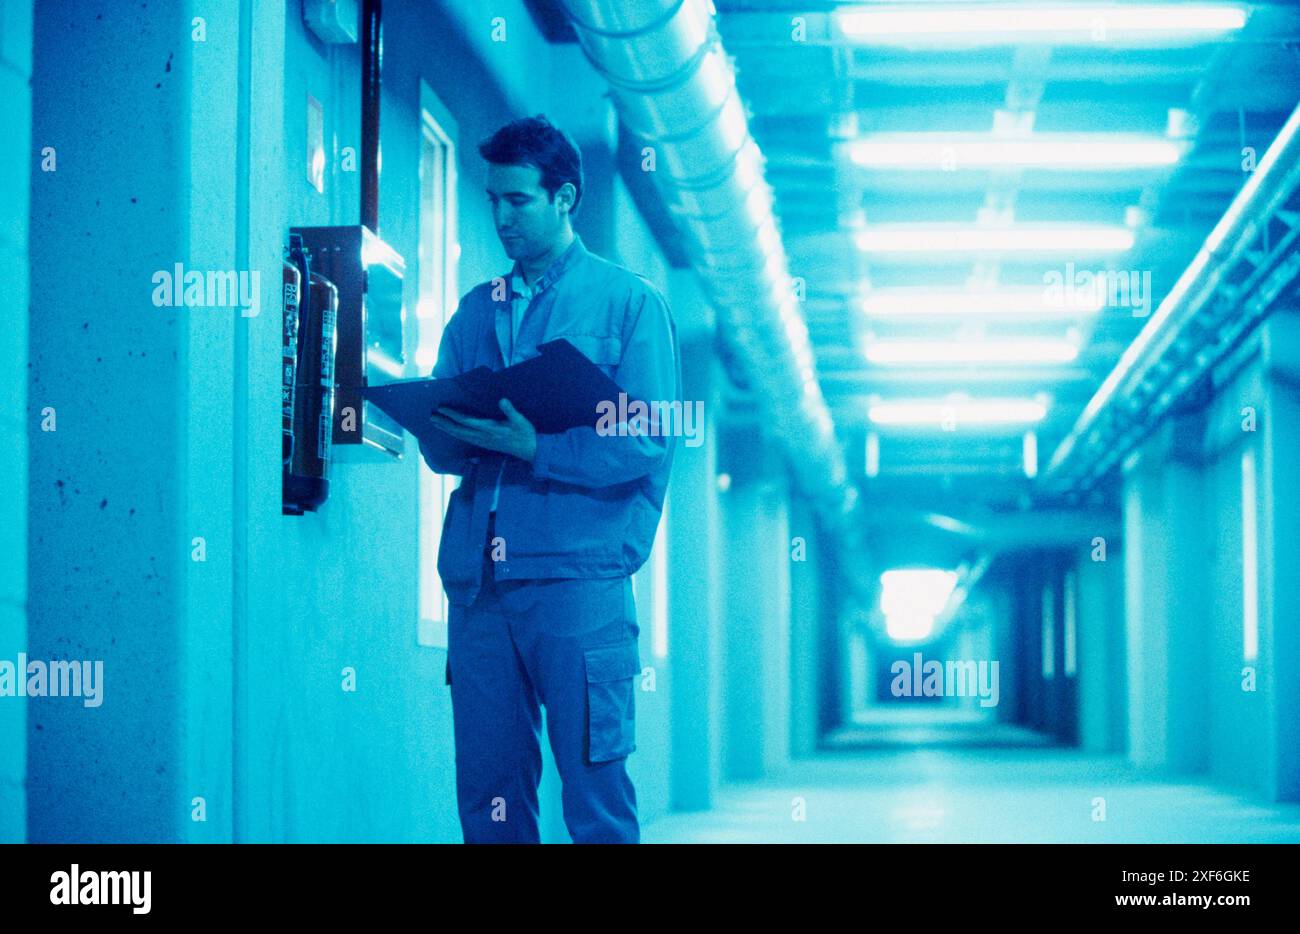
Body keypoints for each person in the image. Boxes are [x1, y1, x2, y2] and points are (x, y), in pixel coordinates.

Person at [419, 114, 680, 844]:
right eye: (493, 200)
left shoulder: (628, 304)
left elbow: (651, 435)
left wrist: (539, 448)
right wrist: (438, 430)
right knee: (490, 796)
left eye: (518, 201)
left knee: (596, 797)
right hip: (480, 588)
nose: (500, 217)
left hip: (577, 582)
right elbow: (446, 442)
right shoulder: (477, 311)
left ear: (564, 199)